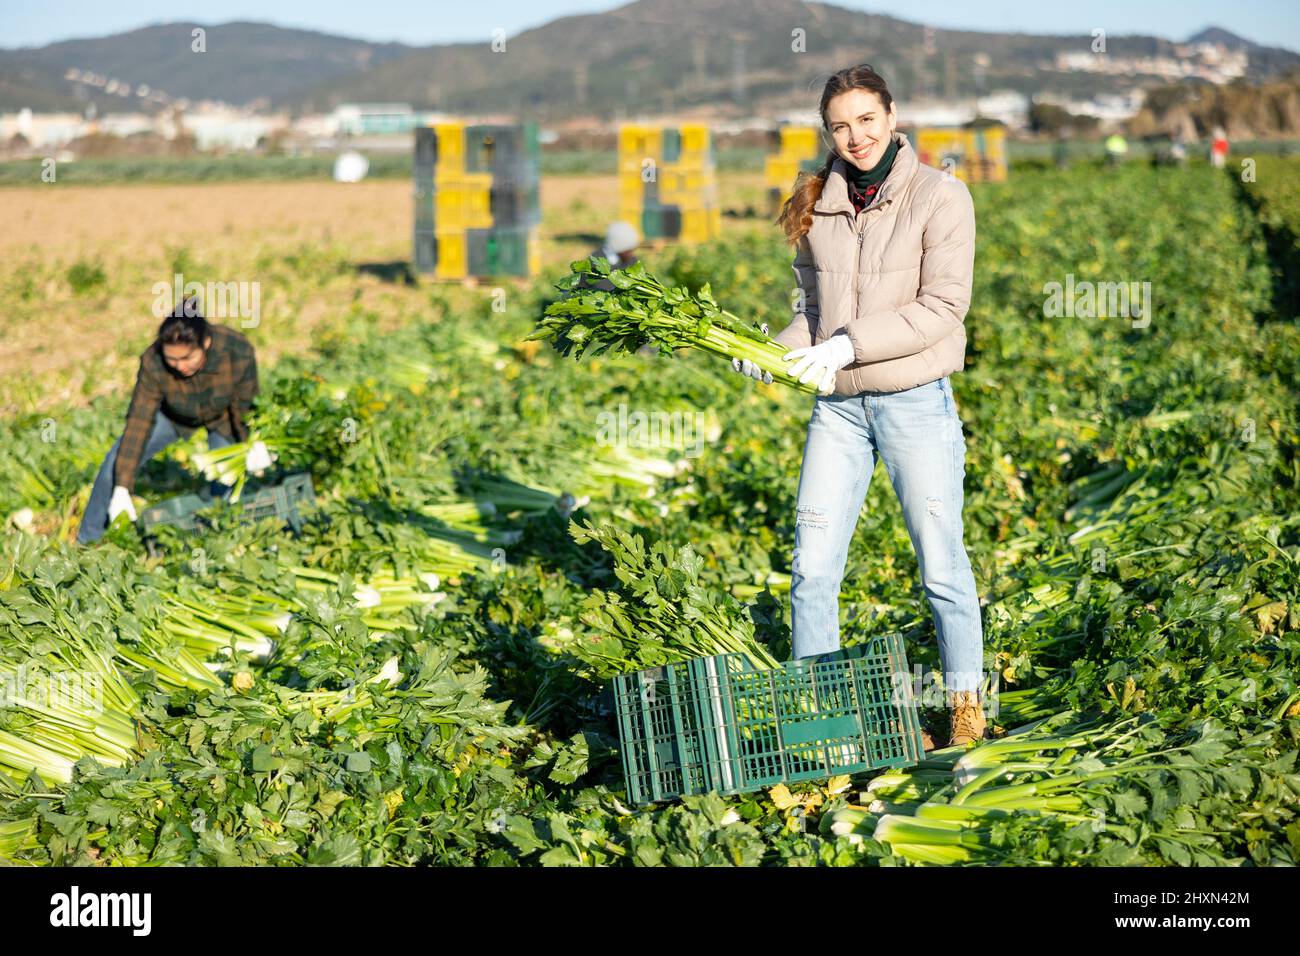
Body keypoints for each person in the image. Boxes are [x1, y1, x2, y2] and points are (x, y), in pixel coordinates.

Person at [732, 64, 986, 750]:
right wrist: (770, 350)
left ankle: (965, 701)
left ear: (893, 116)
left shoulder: (941, 196)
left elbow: (943, 309)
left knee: (939, 563)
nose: (856, 136)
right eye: (840, 125)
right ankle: (820, 713)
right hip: (839, 413)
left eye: (867, 119)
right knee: (812, 569)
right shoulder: (819, 202)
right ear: (828, 132)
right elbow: (811, 313)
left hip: (912, 403)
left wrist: (846, 346)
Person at [76, 299, 272, 544]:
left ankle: (215, 540)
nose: (180, 366)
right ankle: (86, 540)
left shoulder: (236, 349)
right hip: (172, 416)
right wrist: (123, 487)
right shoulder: (153, 360)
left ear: (206, 342)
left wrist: (250, 441)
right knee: (113, 466)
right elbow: (140, 419)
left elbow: (244, 404)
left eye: (188, 358)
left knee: (224, 483)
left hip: (222, 417)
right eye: (173, 360)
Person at [580, 220, 642, 292]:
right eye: (628, 251)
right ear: (619, 248)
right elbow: (604, 290)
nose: (632, 254)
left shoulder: (631, 261)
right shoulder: (596, 263)